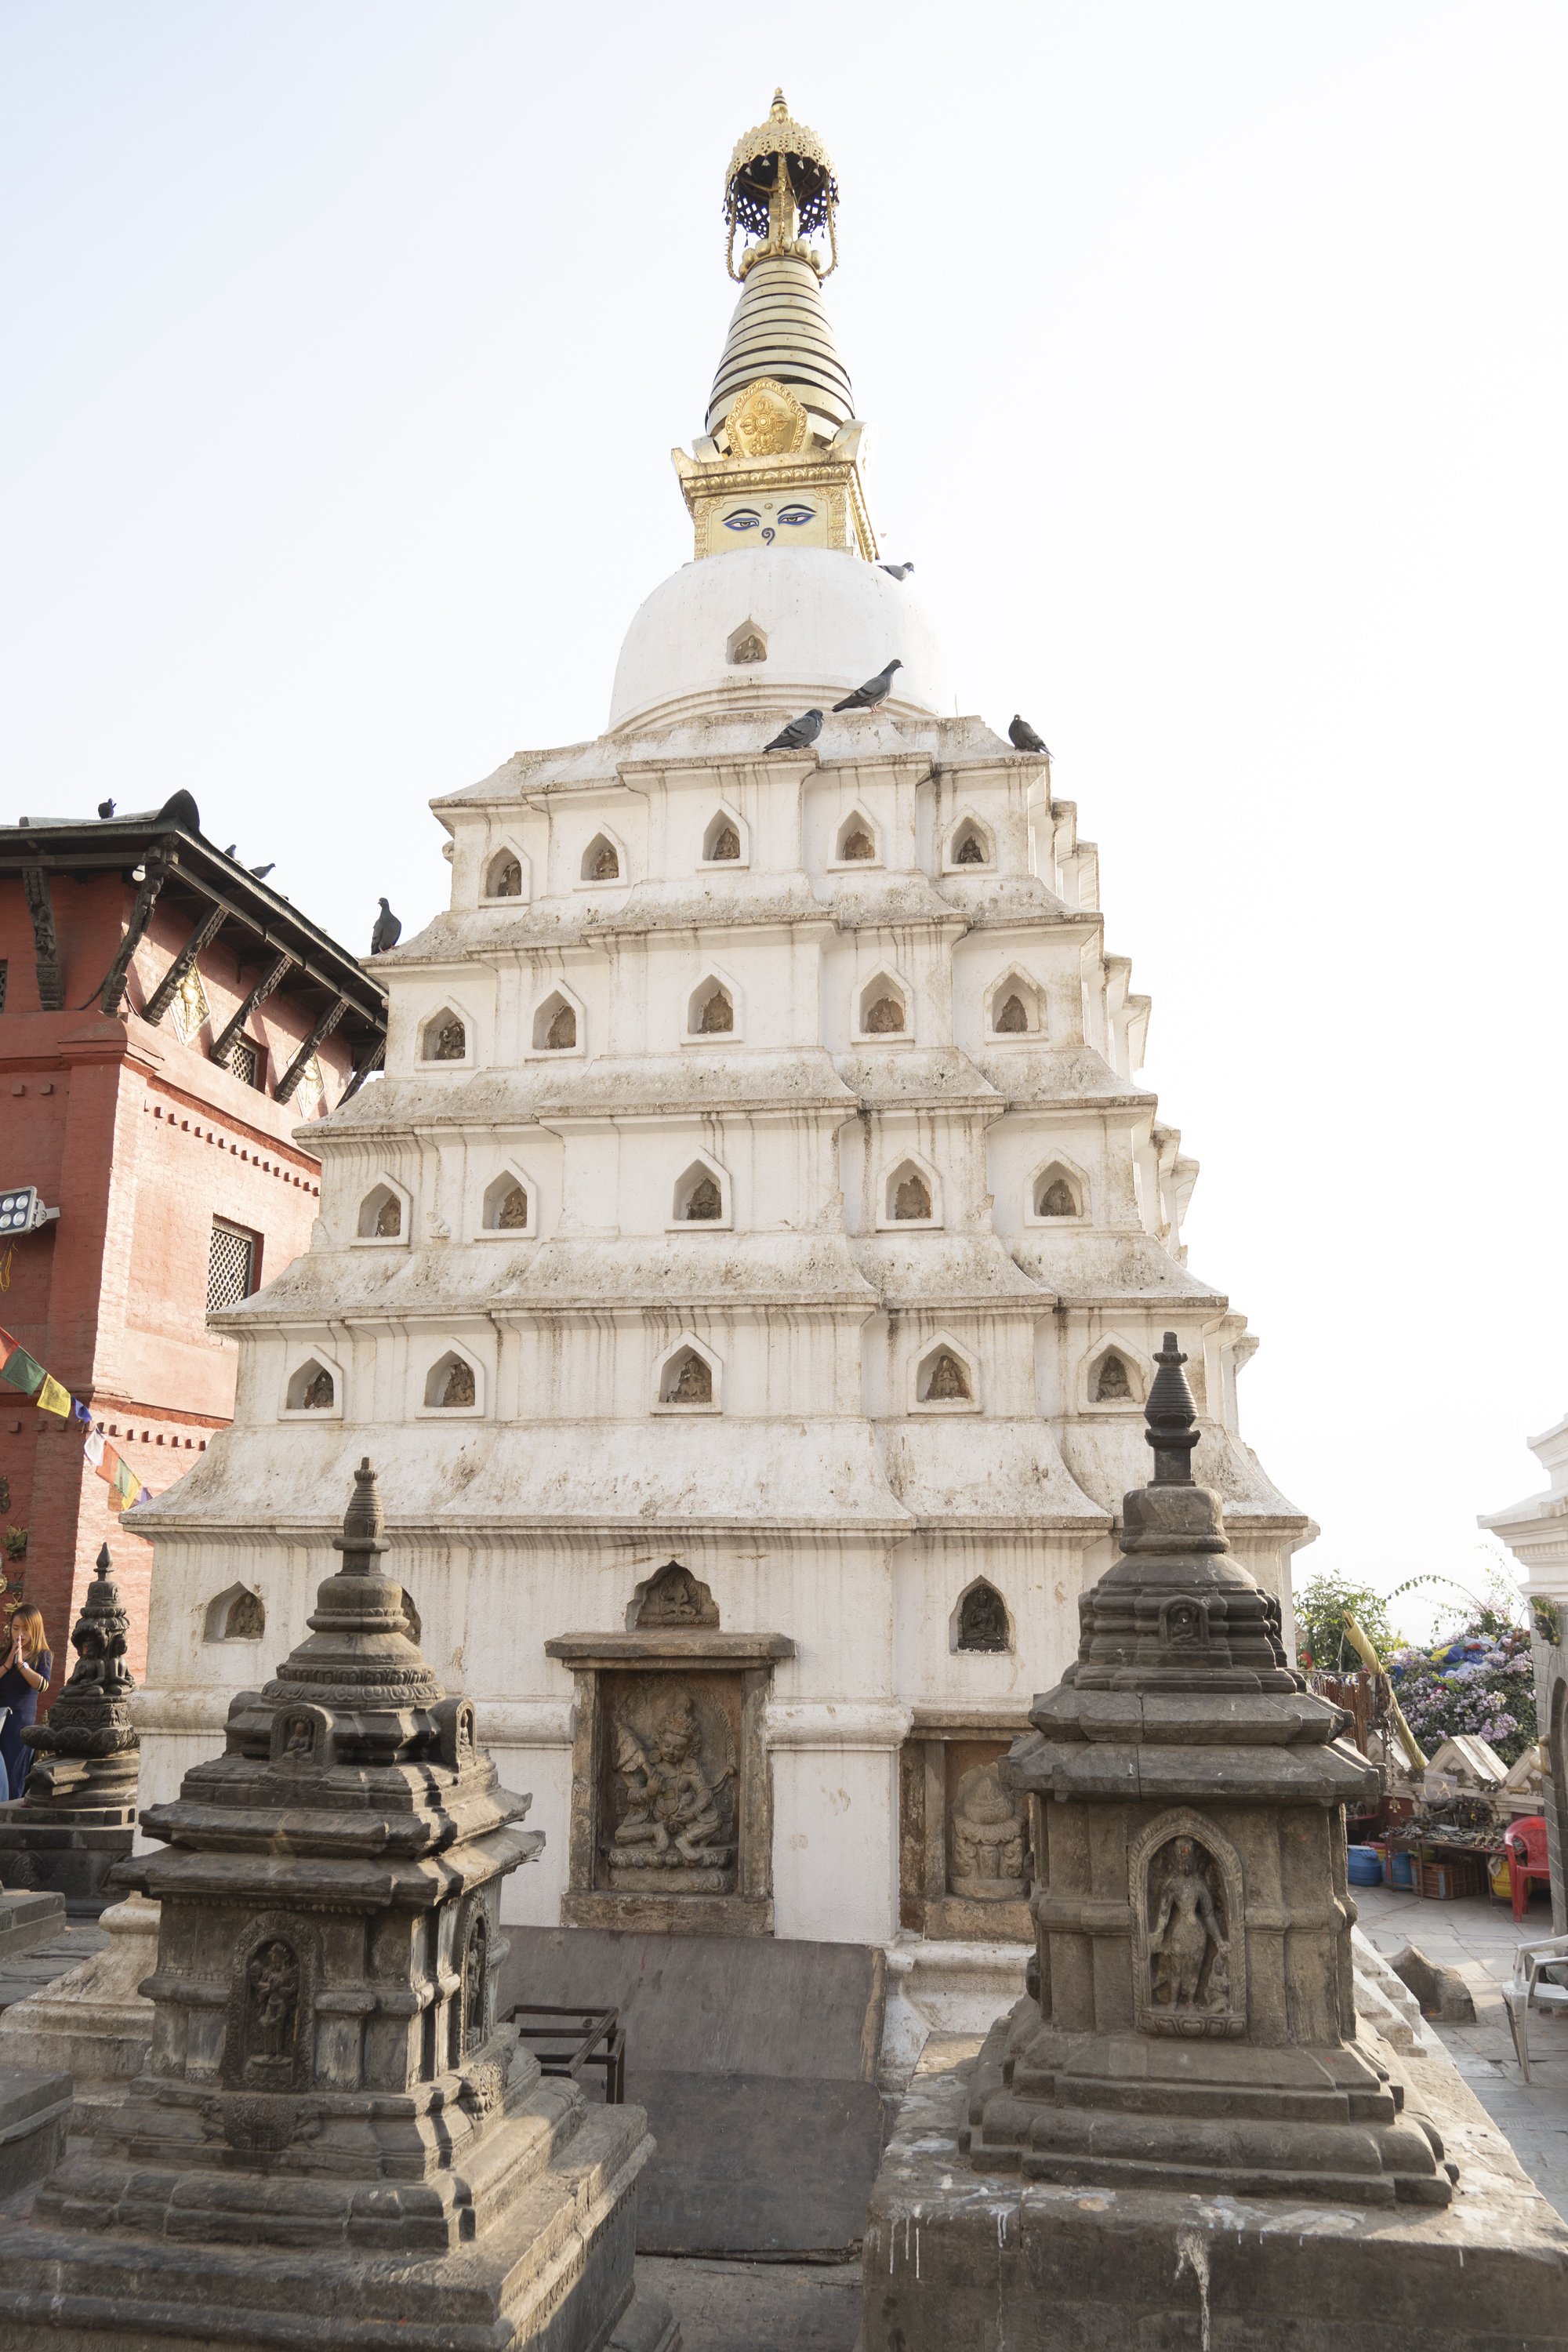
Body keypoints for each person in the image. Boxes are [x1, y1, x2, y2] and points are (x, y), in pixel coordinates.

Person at [0, 1607, 52, 1802]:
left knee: (13, 1770)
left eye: (25, 1629)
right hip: (0, 1718)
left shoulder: (42, 1655)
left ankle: (8, 1813)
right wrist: (7, 1665)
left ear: (36, 1629)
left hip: (19, 1724)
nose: (20, 1634)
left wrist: (21, 1664)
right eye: (15, 1628)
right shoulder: (4, 1652)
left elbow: (42, 1685)